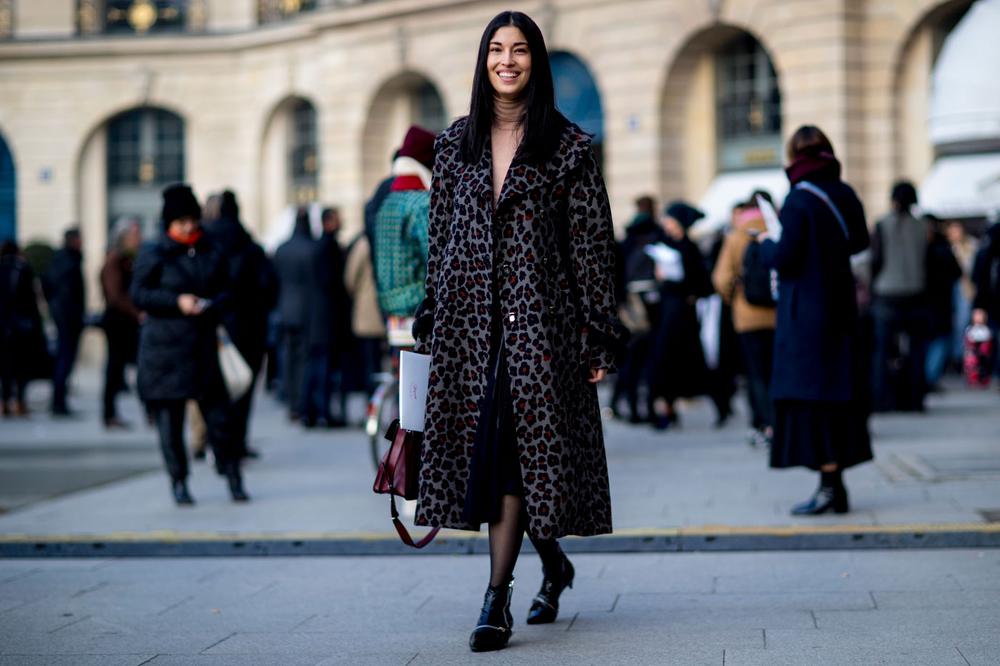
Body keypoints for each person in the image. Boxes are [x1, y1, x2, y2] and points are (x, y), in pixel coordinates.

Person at [411, 11, 626, 652]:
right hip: (471, 330)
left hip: (541, 330)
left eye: (521, 50)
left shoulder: (568, 148)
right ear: (483, 61)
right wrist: (429, 315)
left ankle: (495, 598)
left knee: (516, 460)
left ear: (537, 61)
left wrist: (598, 334)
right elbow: (442, 238)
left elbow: (591, 247)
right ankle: (552, 566)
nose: (508, 60)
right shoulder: (453, 146)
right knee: (506, 461)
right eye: (497, 50)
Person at [757, 125, 872, 515]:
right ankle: (835, 486)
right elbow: (860, 242)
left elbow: (786, 257)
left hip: (806, 316)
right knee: (837, 396)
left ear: (794, 156)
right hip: (841, 309)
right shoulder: (844, 192)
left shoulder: (797, 200)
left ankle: (827, 487)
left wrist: (767, 244)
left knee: (813, 399)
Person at [131, 184, 248, 505]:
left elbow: (230, 288)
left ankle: (232, 475)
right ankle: (179, 481)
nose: (188, 227)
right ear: (169, 223)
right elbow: (139, 294)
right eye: (181, 221)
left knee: (221, 419)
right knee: (170, 424)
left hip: (203, 347)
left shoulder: (211, 248)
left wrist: (213, 303)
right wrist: (176, 301)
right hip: (165, 350)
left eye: (191, 219)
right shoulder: (154, 252)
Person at [205, 190, 278, 456]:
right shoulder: (250, 246)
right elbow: (269, 286)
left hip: (215, 325)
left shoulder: (206, 244)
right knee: (244, 388)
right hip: (250, 327)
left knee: (216, 389)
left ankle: (217, 443)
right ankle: (237, 443)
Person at [712, 197, 778, 447]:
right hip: (779, 315)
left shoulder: (737, 234)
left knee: (756, 374)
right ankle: (781, 422)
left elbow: (721, 278)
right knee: (777, 371)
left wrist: (734, 297)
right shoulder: (776, 228)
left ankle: (765, 425)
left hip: (747, 316)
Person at [645, 201, 715, 430]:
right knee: (665, 360)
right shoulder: (662, 243)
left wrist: (690, 291)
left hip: (682, 311)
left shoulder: (689, 247)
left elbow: (703, 282)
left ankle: (717, 402)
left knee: (687, 359)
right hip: (667, 309)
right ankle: (667, 407)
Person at [870, 181, 929, 411]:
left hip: (887, 292)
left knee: (882, 351)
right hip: (916, 291)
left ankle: (882, 399)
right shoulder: (922, 226)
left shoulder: (883, 224)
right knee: (916, 351)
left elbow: (876, 259)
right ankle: (915, 399)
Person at [374, 126, 435, 320]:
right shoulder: (422, 203)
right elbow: (434, 260)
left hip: (390, 306)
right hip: (419, 307)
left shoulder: (388, 201)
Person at [612, 195, 662, 423]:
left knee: (631, 360)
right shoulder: (653, 241)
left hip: (629, 307)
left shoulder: (626, 243)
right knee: (644, 360)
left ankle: (627, 405)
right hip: (644, 307)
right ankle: (641, 407)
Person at [302, 207, 351, 428]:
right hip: (327, 317)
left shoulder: (319, 247)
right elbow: (332, 284)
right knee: (323, 367)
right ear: (329, 222)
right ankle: (321, 412)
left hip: (318, 316)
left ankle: (311, 411)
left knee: (316, 365)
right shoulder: (328, 248)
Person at [272, 207, 316, 422]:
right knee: (303, 359)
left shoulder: (282, 249)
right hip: (306, 310)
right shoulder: (310, 249)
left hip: (285, 309)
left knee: (287, 356)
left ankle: (289, 397)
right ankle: (300, 401)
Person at [100, 217, 143, 429]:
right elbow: (116, 296)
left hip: (128, 322)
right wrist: (137, 312)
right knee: (114, 369)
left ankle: (150, 411)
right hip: (118, 322)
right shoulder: (114, 261)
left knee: (137, 367)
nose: (138, 238)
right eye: (134, 235)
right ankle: (109, 414)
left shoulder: (131, 260)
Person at [0, 241, 45, 416]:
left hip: (3, 326)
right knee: (21, 367)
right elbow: (31, 300)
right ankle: (20, 402)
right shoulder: (23, 269)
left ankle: (4, 402)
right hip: (20, 326)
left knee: (5, 367)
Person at [44, 227, 85, 416]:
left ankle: (59, 401)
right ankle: (58, 402)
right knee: (64, 359)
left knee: (64, 359)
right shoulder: (68, 261)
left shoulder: (61, 259)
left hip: (65, 317)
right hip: (68, 319)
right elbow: (68, 294)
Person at [343, 230, 386, 397]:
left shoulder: (363, 244)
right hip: (387, 310)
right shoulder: (385, 240)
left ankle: (372, 404)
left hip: (367, 311)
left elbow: (350, 278)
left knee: (370, 362)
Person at [922, 215, 962, 390]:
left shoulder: (922, 249)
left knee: (930, 340)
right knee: (939, 339)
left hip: (926, 301)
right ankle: (929, 377)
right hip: (940, 301)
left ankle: (926, 377)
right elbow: (957, 272)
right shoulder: (943, 248)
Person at [971, 219, 1000, 383]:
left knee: (991, 338)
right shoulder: (986, 255)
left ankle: (993, 372)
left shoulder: (984, 253)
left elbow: (978, 282)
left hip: (989, 304)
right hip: (991, 304)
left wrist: (978, 307)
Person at [948, 220, 979, 366]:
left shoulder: (971, 245)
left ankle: (962, 356)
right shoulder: (948, 248)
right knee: (956, 323)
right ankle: (956, 355)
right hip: (953, 288)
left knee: (963, 322)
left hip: (966, 288)